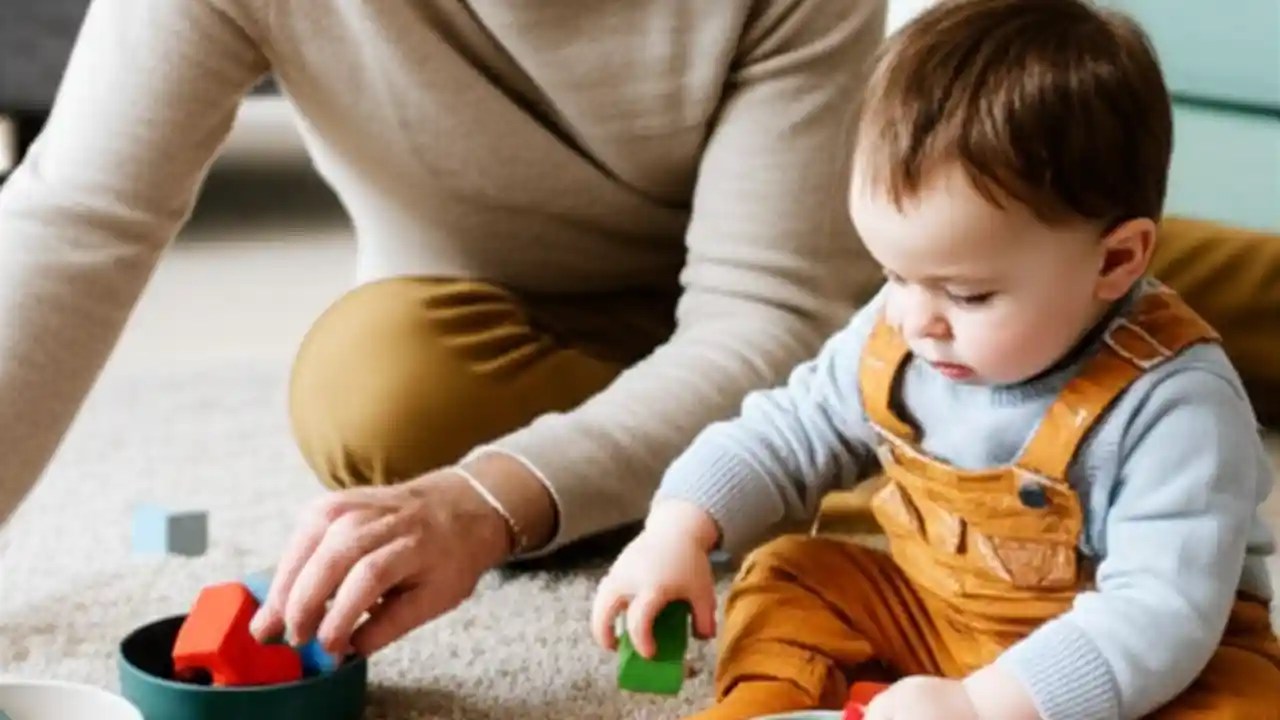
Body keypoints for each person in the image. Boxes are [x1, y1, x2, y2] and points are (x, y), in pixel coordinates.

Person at [0, 0, 892, 657]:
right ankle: (764, 469)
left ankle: (804, 451)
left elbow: (765, 312)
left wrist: (487, 501)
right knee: (373, 394)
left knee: (910, 375)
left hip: (771, 322)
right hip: (489, 329)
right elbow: (77, 217)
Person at [590, 1, 1280, 719]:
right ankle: (766, 706)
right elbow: (786, 433)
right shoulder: (898, 333)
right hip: (940, 617)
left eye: (968, 294)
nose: (917, 319)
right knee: (790, 575)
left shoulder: (1177, 405)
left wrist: (987, 705)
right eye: (892, 274)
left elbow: (1162, 615)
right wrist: (679, 527)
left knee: (1245, 702)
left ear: (1115, 259)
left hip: (1141, 660)